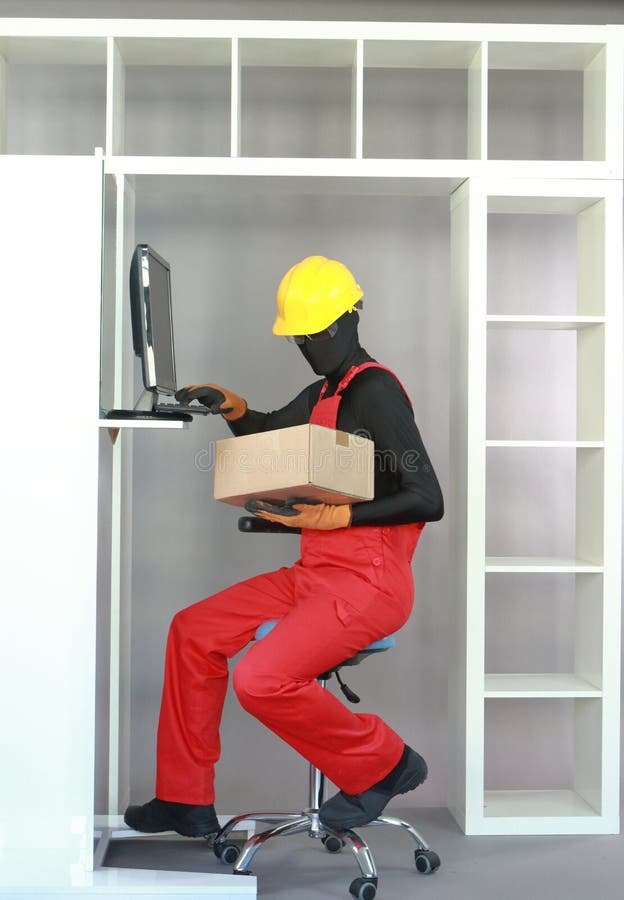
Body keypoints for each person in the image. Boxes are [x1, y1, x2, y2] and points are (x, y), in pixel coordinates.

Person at [124, 255, 444, 839]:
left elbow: (427, 496)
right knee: (193, 630)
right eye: (301, 336)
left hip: (370, 582)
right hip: (317, 572)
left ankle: (385, 762)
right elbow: (272, 431)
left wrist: (338, 514)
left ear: (351, 319)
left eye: (319, 332)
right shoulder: (327, 389)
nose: (311, 344)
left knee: (260, 678)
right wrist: (236, 409)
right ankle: (185, 799)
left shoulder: (375, 392)